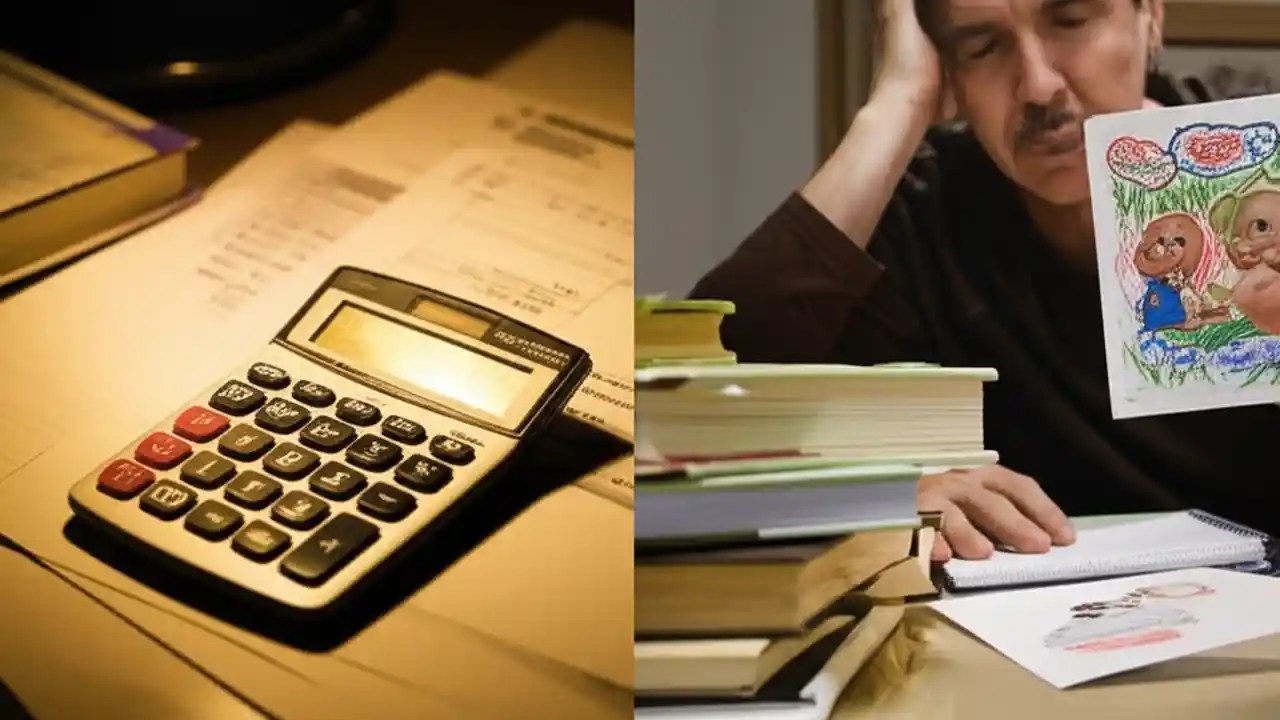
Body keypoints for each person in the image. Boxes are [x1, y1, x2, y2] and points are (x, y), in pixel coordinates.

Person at [690, 0, 1280, 561]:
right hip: (1021, 626)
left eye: (1071, 19)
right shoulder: (929, 216)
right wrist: (898, 103)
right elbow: (698, 409)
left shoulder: (1258, 173)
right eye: (982, 48)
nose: (1039, 86)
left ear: (1149, 15)